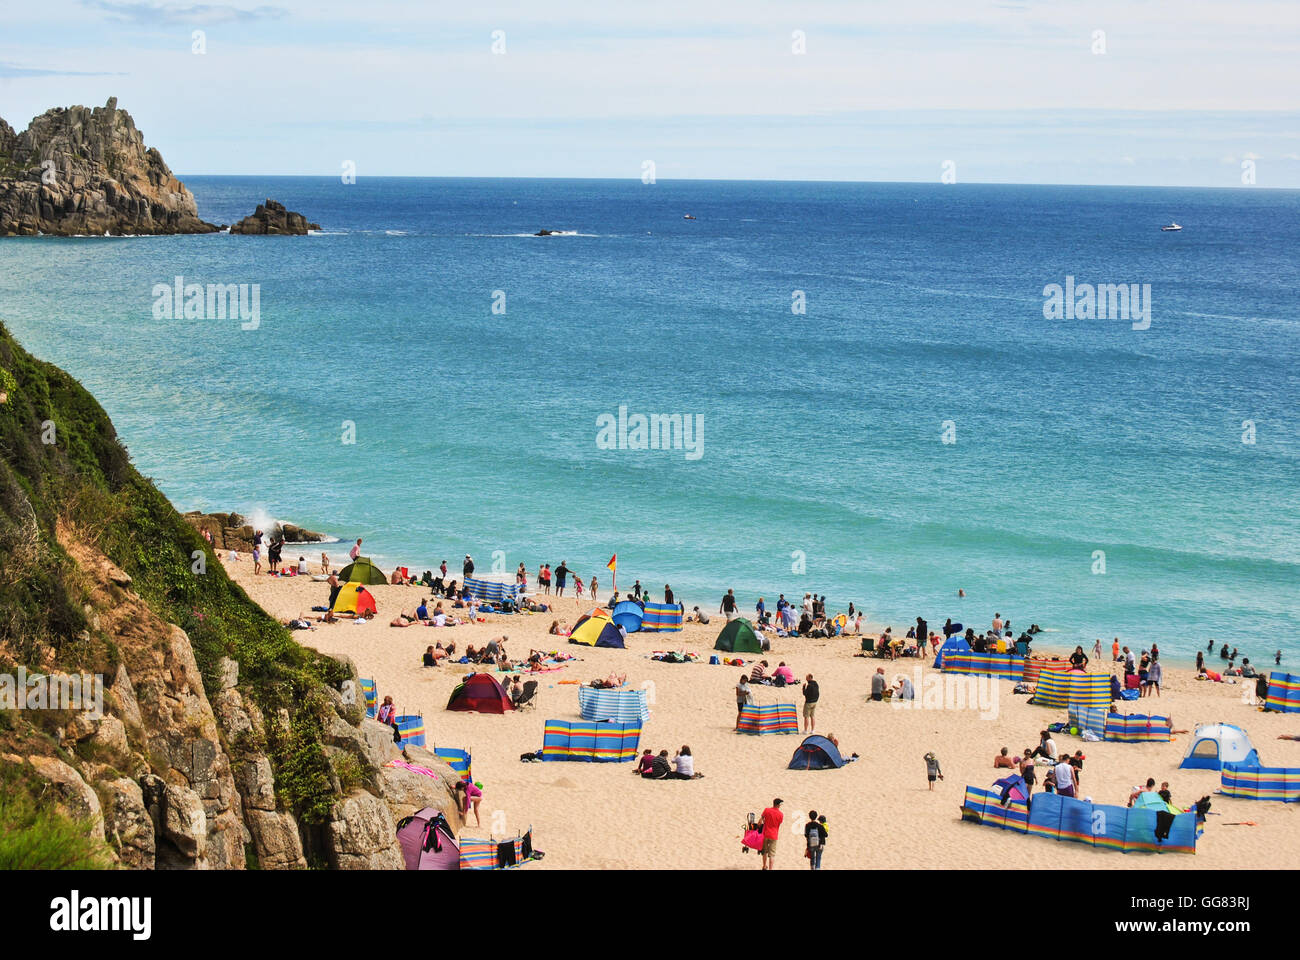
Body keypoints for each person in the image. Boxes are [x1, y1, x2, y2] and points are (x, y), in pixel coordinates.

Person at [760, 799, 783, 870]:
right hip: (774, 835)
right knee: (772, 854)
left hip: (765, 834)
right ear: (778, 805)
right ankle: (770, 868)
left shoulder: (766, 810)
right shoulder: (781, 814)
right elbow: (779, 823)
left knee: (764, 852)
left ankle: (764, 866)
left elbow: (760, 821)